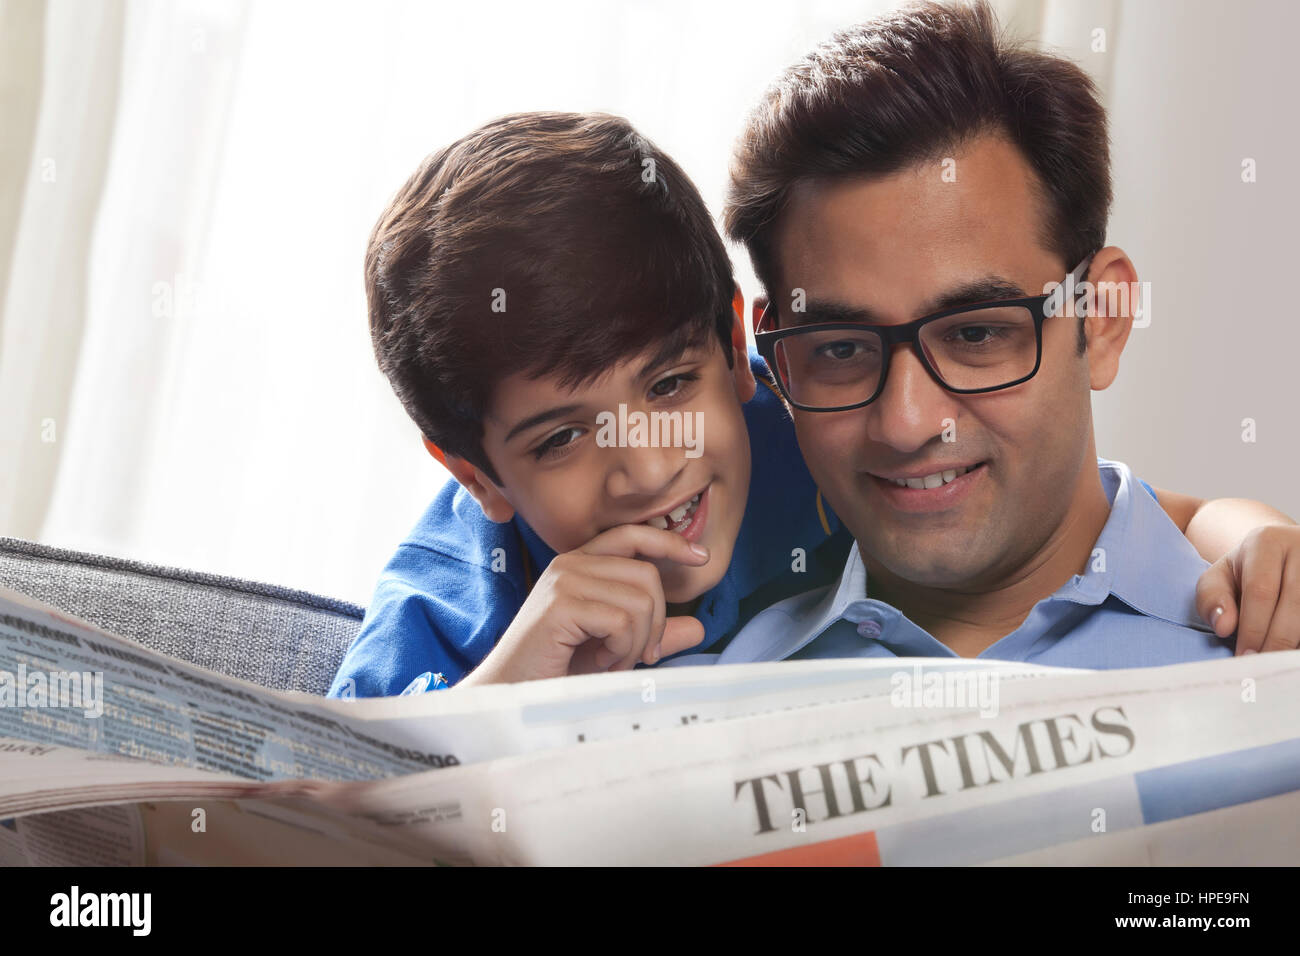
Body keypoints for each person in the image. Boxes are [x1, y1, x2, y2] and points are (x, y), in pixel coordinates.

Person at [330, 102, 1296, 698]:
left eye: (670, 386)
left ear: (742, 357)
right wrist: (506, 695)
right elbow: (332, 795)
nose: (650, 463)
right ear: (477, 474)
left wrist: (1241, 531)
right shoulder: (465, 571)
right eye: (560, 440)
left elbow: (1131, 514)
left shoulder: (805, 443)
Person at [678, 0, 1297, 669]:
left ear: (1104, 316)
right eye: (841, 349)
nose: (907, 424)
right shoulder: (694, 689)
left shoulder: (1272, 641)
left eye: (974, 334)